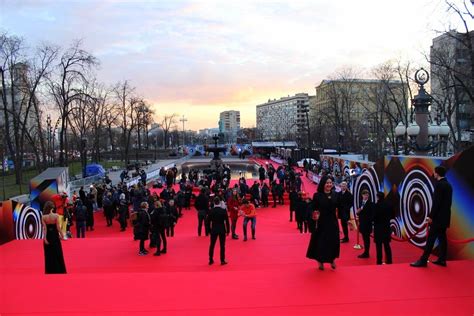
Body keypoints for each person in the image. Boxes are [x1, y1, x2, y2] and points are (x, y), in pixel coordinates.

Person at [411, 166, 452, 267]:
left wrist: (431, 217)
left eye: (434, 172)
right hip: (445, 217)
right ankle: (442, 259)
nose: (433, 174)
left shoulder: (439, 185)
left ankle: (423, 260)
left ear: (437, 173)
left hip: (437, 218)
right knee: (442, 239)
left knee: (431, 239)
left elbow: (436, 203)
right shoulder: (448, 185)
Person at [306, 176, 340, 270]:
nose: (329, 184)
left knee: (333, 241)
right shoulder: (317, 195)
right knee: (321, 242)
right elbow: (312, 207)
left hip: (332, 222)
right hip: (321, 222)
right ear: (323, 184)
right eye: (327, 183)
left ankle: (332, 259)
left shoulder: (335, 194)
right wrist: (314, 213)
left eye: (330, 183)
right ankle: (320, 261)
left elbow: (339, 206)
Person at [42, 201, 67, 274]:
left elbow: (45, 229)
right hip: (55, 236)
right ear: (51, 208)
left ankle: (50, 271)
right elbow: (58, 227)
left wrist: (45, 238)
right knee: (57, 253)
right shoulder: (56, 216)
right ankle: (59, 270)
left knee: (49, 254)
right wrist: (62, 235)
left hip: (48, 236)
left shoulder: (43, 217)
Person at [207, 197, 230, 265]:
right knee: (222, 245)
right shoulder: (223, 211)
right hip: (222, 229)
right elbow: (227, 221)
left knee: (212, 245)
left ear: (214, 202)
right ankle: (222, 260)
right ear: (220, 202)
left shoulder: (211, 211)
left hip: (214, 229)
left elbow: (207, 222)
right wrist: (228, 230)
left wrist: (209, 230)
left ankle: (211, 259)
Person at [374, 192, 393, 265]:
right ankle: (389, 261)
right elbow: (393, 215)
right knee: (387, 245)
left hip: (378, 227)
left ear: (378, 197)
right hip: (386, 227)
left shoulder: (376, 206)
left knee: (379, 246)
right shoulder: (389, 205)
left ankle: (379, 261)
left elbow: (374, 217)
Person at [356, 190, 375, 258]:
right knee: (364, 238)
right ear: (362, 195)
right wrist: (358, 212)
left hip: (367, 224)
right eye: (364, 194)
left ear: (368, 195)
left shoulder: (371, 204)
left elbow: (372, 214)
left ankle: (366, 253)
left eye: (367, 195)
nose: (365, 196)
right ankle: (366, 252)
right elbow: (359, 212)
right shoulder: (361, 202)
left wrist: (369, 220)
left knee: (366, 239)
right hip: (362, 223)